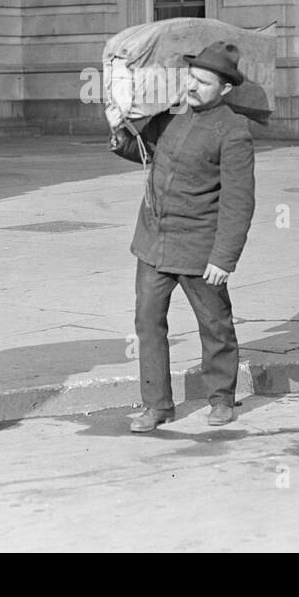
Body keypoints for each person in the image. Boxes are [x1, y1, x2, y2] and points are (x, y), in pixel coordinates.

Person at [110, 40, 256, 431]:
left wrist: (223, 258)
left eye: (203, 83)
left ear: (224, 89)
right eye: (191, 77)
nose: (192, 87)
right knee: (147, 321)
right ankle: (156, 404)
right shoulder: (172, 114)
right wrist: (119, 132)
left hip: (198, 248)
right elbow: (144, 150)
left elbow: (239, 203)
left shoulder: (233, 131)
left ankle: (221, 398)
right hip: (153, 242)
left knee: (215, 324)